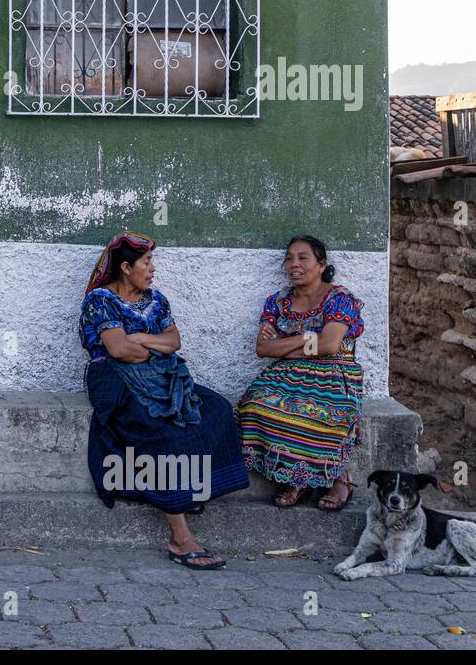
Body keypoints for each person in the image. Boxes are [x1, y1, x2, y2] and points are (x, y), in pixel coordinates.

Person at [80, 231, 249, 569]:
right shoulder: (101, 300)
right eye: (147, 262)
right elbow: (117, 350)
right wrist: (150, 346)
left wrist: (140, 338)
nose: (152, 269)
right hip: (113, 379)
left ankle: (192, 493)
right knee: (165, 432)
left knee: (216, 410)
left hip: (162, 376)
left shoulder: (156, 300)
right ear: (126, 267)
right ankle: (179, 538)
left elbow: (174, 341)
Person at [234, 235, 365, 511]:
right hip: (287, 373)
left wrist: (287, 345)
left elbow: (330, 346)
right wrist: (308, 337)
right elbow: (263, 348)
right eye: (289, 258)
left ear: (321, 265)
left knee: (314, 412)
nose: (294, 264)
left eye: (303, 258)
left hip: (334, 372)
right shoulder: (277, 302)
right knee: (256, 405)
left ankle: (339, 477)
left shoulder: (340, 299)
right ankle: (298, 478)